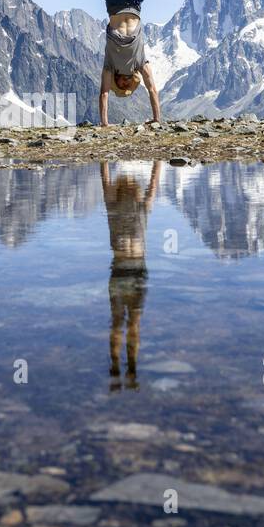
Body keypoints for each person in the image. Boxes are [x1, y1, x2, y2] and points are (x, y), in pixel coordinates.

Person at [101, 160, 161, 392]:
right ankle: (129, 366)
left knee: (118, 322)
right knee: (132, 322)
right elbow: (153, 184)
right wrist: (158, 162)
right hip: (135, 269)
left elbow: (105, 178)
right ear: (134, 189)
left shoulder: (112, 204)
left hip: (120, 269)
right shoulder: (140, 206)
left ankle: (118, 366)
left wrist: (103, 160)